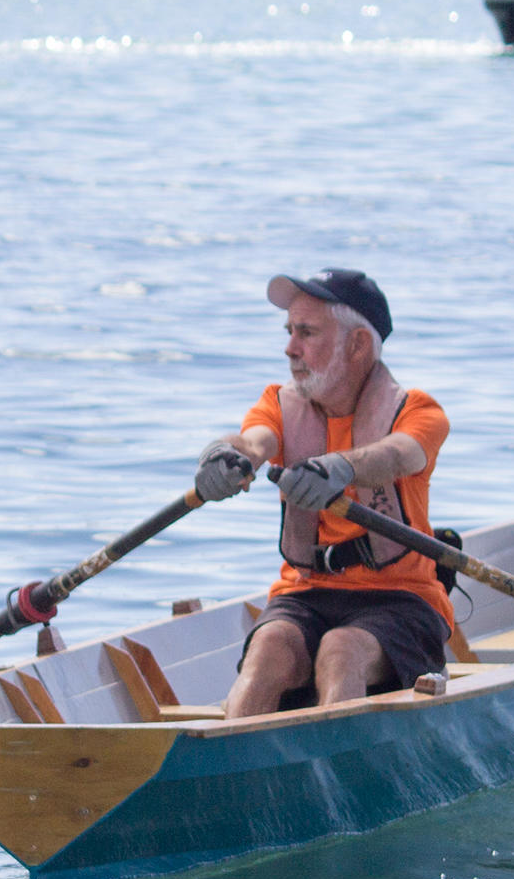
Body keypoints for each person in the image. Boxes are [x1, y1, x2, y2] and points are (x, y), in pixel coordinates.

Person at [191, 271, 454, 719]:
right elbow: (252, 443)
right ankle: (232, 761)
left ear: (357, 345)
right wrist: (220, 456)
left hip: (402, 598)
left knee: (340, 649)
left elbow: (401, 455)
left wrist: (342, 466)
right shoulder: (278, 403)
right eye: (290, 332)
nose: (291, 347)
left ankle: (332, 771)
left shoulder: (417, 410)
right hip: (306, 592)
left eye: (307, 332)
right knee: (268, 649)